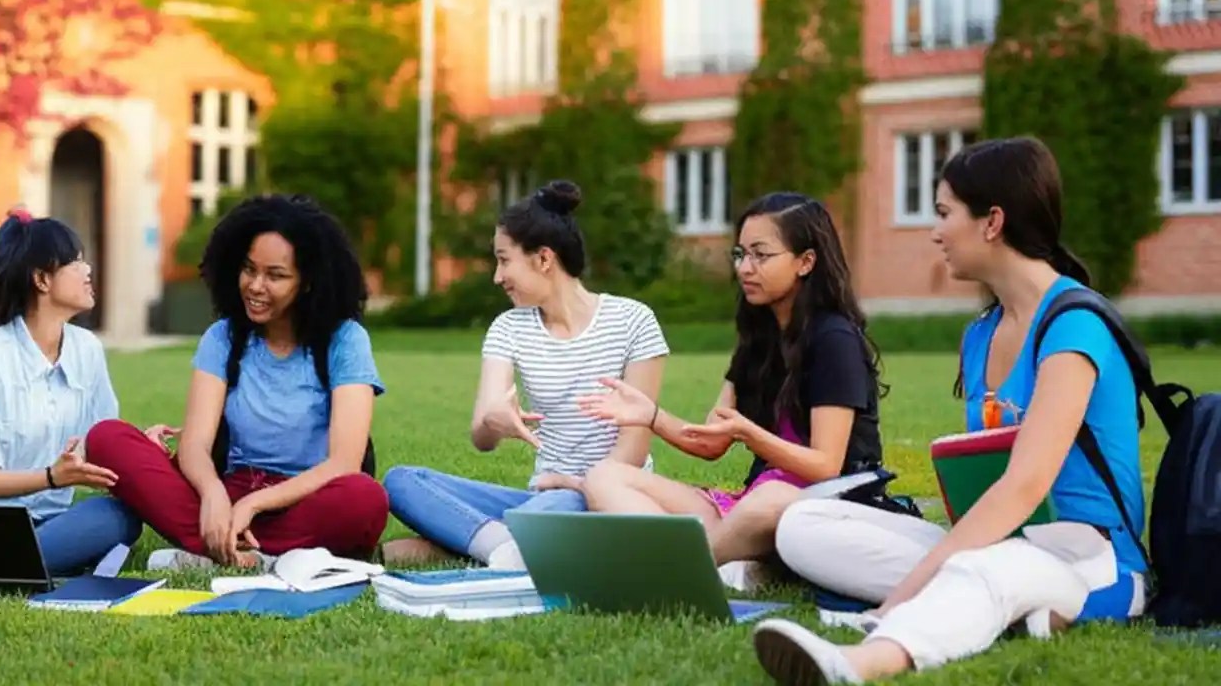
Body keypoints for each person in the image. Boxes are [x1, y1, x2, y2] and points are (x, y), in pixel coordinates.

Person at [750, 137, 1148, 684]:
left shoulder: (1073, 325)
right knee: (801, 524)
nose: (935, 232)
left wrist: (904, 594)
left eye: (944, 214)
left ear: (992, 222)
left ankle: (861, 661)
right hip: (1003, 539)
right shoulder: (980, 335)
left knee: (977, 566)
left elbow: (1024, 486)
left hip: (1092, 558)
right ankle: (999, 607)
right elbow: (983, 477)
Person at [578, 192, 893, 570]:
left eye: (761, 255)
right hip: (751, 507)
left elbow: (825, 466)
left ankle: (679, 565)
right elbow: (711, 442)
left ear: (805, 262)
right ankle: (717, 556)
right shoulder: (758, 340)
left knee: (770, 498)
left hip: (826, 505)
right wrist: (650, 415)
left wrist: (751, 434)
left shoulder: (833, 339)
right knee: (605, 477)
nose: (745, 267)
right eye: (741, 254)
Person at [86, 194, 388, 570]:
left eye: (275, 275)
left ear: (307, 282)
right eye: (249, 269)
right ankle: (258, 555)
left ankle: (218, 553)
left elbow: (344, 461)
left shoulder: (345, 340)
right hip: (228, 492)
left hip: (303, 499)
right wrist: (214, 496)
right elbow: (195, 445)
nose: (256, 286)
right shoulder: (223, 337)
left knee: (365, 499)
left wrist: (255, 504)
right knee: (106, 438)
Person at [381, 180, 669, 569]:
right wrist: (495, 423)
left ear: (544, 259)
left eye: (504, 260)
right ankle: (509, 547)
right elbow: (481, 438)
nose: (497, 277)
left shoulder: (634, 321)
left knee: (551, 505)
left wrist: (576, 484)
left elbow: (633, 453)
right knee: (403, 482)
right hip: (541, 500)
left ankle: (485, 543)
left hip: (605, 497)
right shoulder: (508, 328)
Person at [0, 210, 149, 577]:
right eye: (76, 262)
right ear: (41, 279)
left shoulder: (87, 349)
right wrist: (54, 476)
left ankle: (27, 561)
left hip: (52, 517)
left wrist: (138, 447)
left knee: (121, 518)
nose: (88, 271)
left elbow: (102, 438)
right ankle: (7, 562)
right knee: (98, 531)